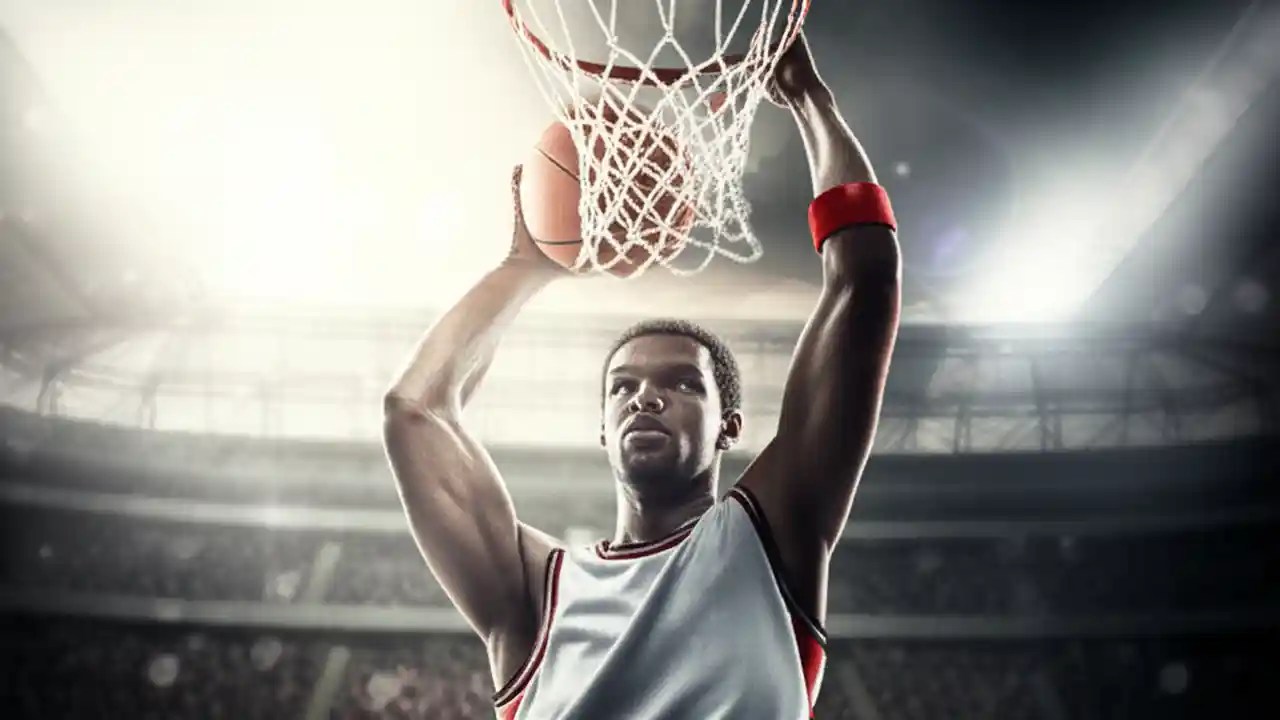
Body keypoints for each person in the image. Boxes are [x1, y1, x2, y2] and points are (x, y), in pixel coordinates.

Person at [382, 34, 901, 720]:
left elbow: (864, 284)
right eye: (622, 388)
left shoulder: (771, 533)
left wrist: (812, 102)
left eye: (683, 384)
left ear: (729, 426)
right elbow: (414, 412)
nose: (646, 397)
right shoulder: (535, 592)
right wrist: (522, 269)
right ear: (603, 429)